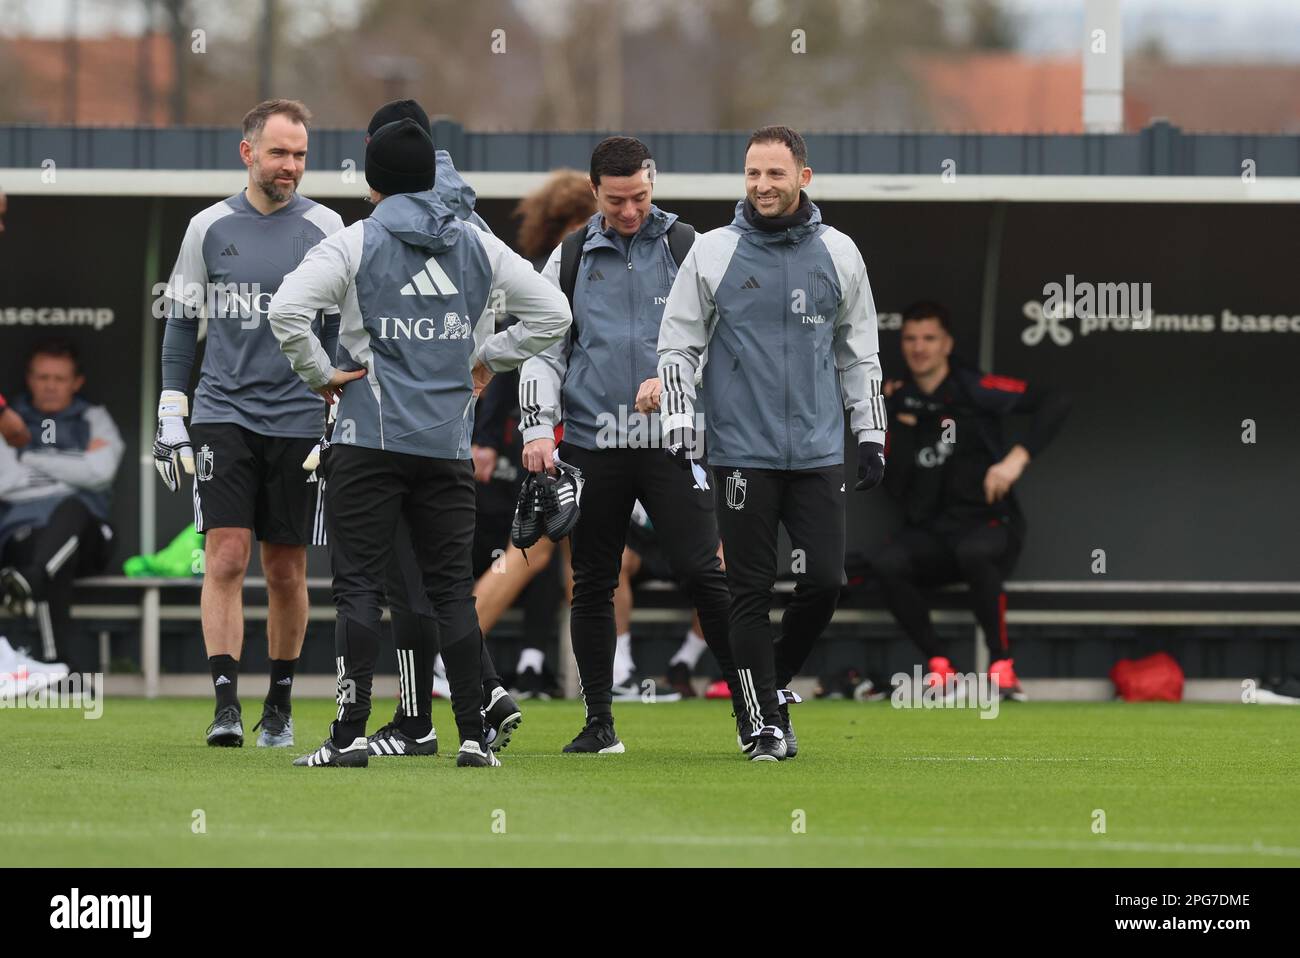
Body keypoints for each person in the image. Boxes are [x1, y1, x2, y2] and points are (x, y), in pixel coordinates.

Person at [269, 116, 571, 768]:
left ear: (371, 179)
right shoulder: (476, 244)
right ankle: (471, 736)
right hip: (446, 448)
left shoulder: (354, 242)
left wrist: (320, 374)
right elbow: (555, 313)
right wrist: (490, 356)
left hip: (366, 442)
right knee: (450, 593)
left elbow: (286, 311)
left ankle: (347, 737)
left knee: (357, 591)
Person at [653, 125, 888, 761]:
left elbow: (859, 351)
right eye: (753, 173)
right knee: (748, 593)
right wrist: (680, 423)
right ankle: (761, 725)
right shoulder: (712, 251)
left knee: (823, 586)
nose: (762, 186)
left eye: (775, 174)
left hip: (816, 454)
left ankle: (766, 686)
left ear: (803, 178)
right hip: (740, 454)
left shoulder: (840, 253)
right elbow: (679, 343)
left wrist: (870, 434)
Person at [519, 136, 744, 755]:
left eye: (640, 197)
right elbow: (543, 348)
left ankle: (756, 715)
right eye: (616, 200)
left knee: (705, 571)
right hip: (593, 447)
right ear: (595, 192)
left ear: (654, 183)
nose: (628, 211)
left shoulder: (690, 248)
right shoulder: (566, 257)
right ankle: (599, 724)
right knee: (592, 582)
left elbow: (725, 342)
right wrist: (537, 428)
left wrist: (674, 380)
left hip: (674, 442)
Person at [153, 99, 343, 749]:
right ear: (248, 153)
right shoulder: (206, 227)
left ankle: (282, 701)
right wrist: (170, 410)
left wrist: (336, 408)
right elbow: (181, 323)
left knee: (286, 567)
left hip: (297, 418)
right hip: (222, 412)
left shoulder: (327, 227)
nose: (290, 166)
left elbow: (343, 334)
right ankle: (226, 704)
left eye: (300, 155)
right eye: (279, 153)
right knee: (226, 555)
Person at [871, 301, 1070, 699]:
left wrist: (1015, 460)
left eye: (929, 338)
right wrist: (906, 428)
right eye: (910, 339)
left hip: (989, 525)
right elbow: (892, 483)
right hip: (932, 533)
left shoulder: (975, 388)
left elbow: (1056, 400)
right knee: (886, 562)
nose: (919, 348)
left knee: (975, 552)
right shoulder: (896, 400)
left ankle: (1002, 666)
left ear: (947, 344)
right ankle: (941, 666)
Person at [0, 339, 124, 678]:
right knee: (48, 556)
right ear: (29, 379)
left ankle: (33, 578)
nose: (50, 386)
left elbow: (99, 472)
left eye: (59, 378)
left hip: (89, 538)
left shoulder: (93, 417)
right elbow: (6, 479)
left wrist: (28, 456)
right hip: (25, 536)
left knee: (74, 509)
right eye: (42, 377)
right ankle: (59, 667)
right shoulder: (7, 416)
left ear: (76, 382)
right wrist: (74, 468)